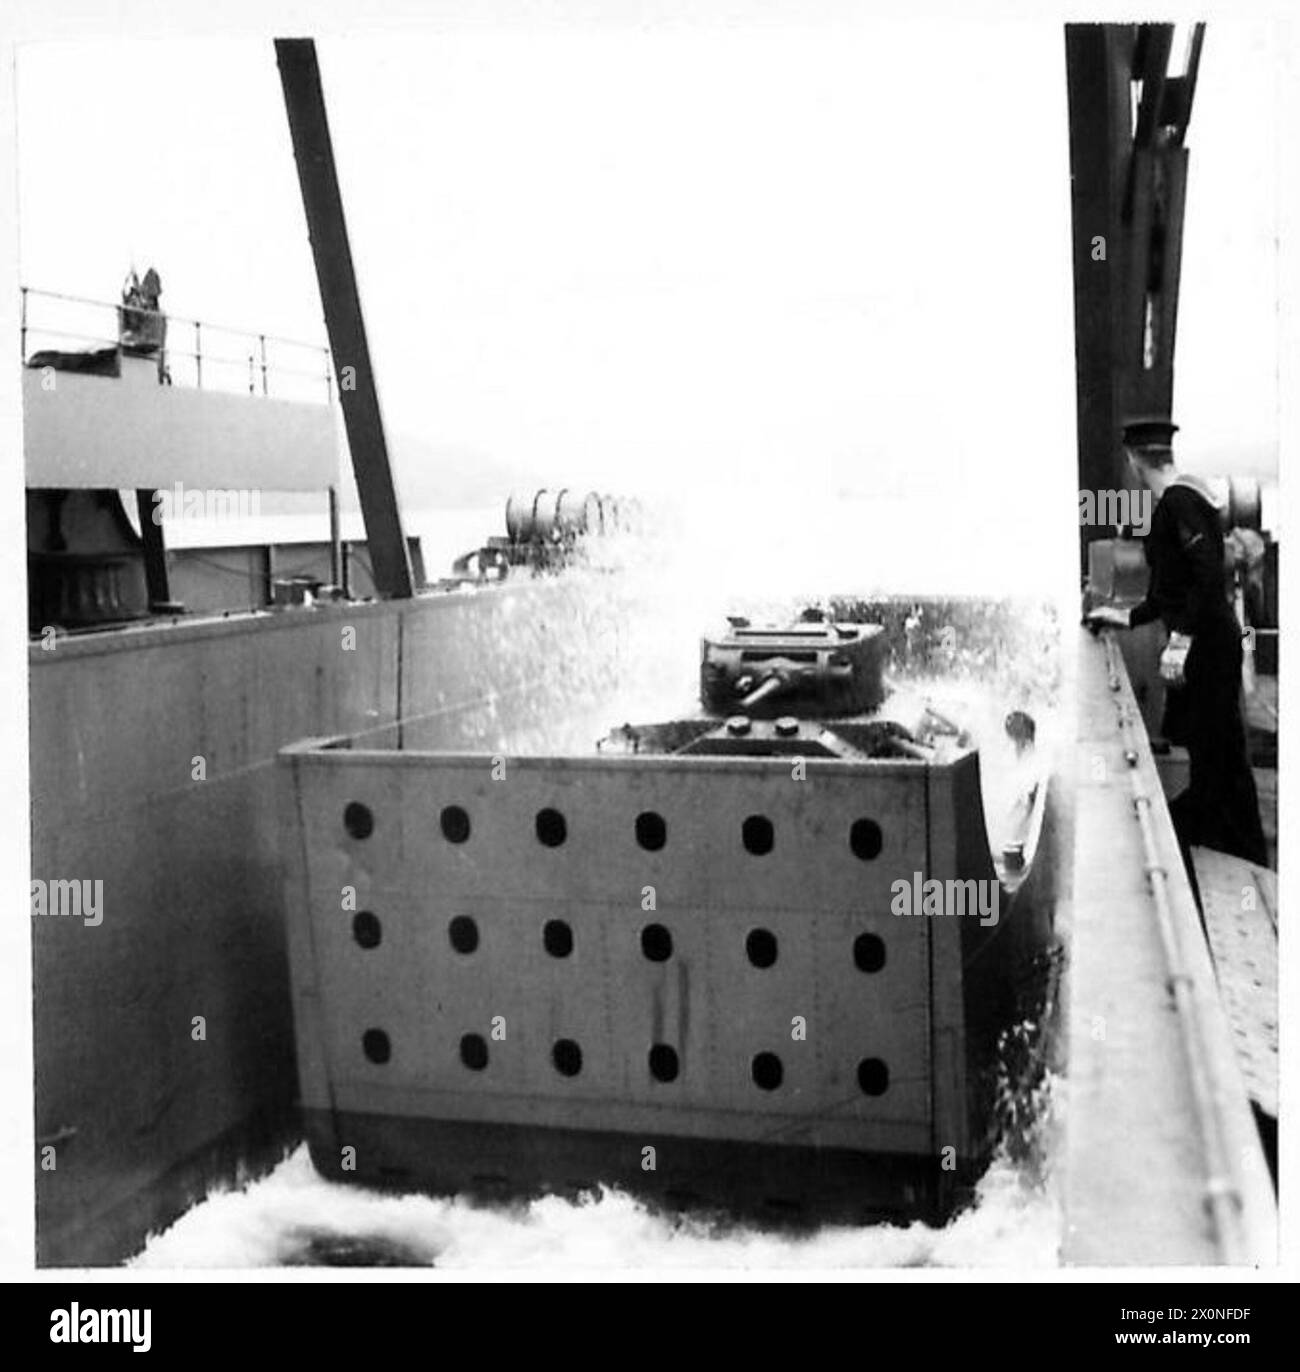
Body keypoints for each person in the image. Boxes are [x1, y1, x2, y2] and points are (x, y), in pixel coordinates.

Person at [1086, 418, 1268, 866]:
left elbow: (1206, 573)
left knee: (1219, 746)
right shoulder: (1184, 501)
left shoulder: (1178, 501)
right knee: (1213, 747)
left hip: (1210, 646)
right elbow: (1168, 594)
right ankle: (1219, 833)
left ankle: (1231, 842)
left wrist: (1181, 640)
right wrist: (1121, 616)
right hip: (1209, 642)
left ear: (1133, 460)